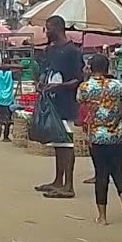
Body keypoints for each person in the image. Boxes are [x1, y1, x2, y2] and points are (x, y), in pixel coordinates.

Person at [78, 54, 122, 224]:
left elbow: (82, 107)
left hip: (97, 137)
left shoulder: (85, 87)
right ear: (107, 68)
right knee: (118, 170)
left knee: (101, 175)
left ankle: (102, 217)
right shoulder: (118, 86)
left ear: (90, 68)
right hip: (118, 136)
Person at [34, 15, 84, 200]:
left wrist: (59, 87)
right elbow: (44, 71)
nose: (46, 32)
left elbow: (78, 79)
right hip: (51, 102)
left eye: (48, 28)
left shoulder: (72, 51)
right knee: (58, 143)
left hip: (66, 103)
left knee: (66, 143)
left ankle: (68, 185)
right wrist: (41, 82)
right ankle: (58, 180)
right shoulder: (50, 50)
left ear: (58, 28)